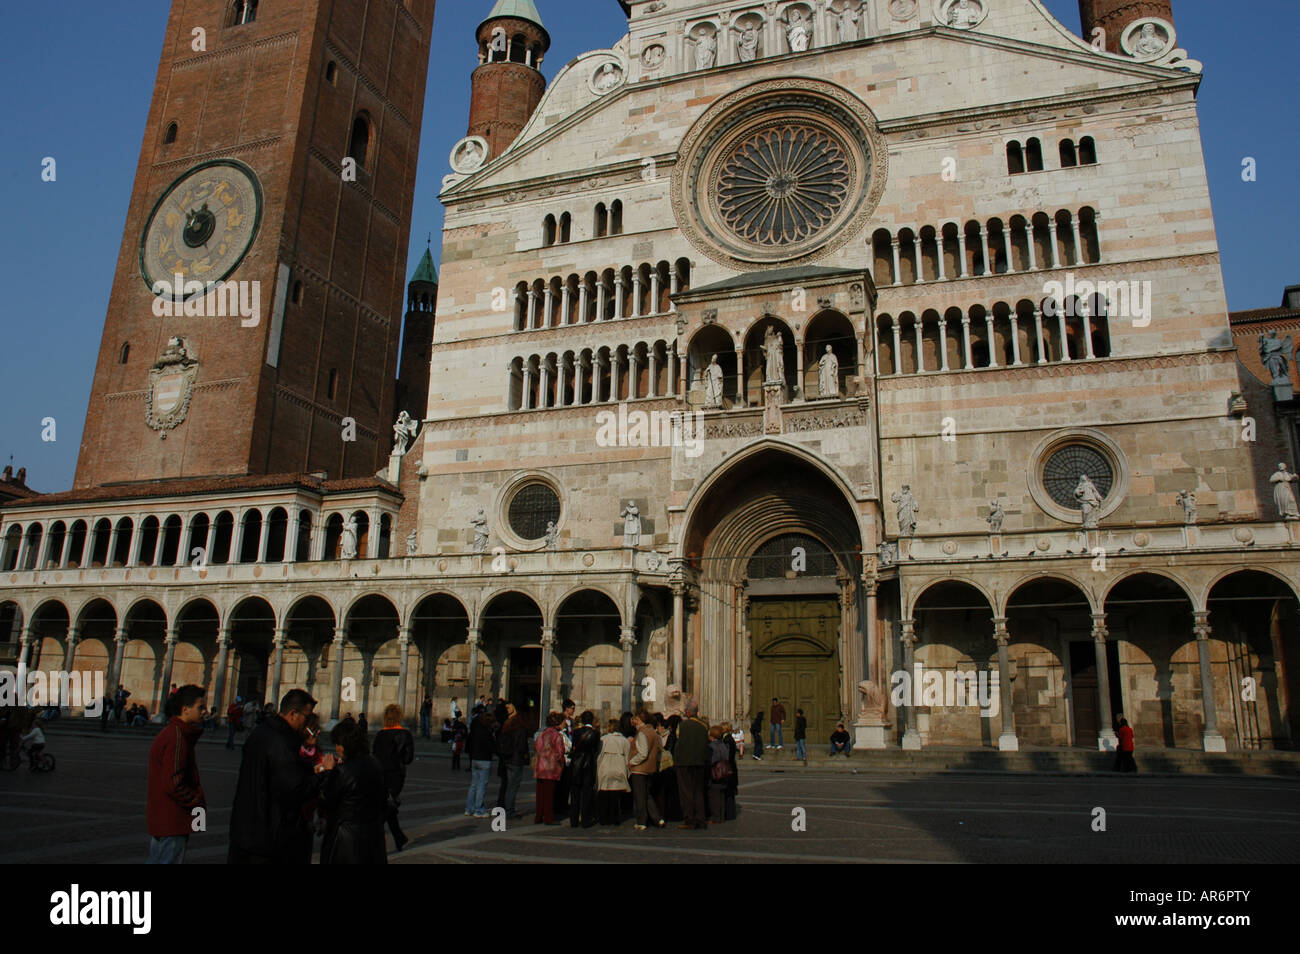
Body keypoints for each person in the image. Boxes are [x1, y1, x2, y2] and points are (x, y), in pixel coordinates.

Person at [228, 689, 334, 864]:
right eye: (306, 717)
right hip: (269, 835)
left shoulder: (260, 732)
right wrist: (325, 774)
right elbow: (295, 789)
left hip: (246, 829)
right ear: (293, 714)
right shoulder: (282, 742)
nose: (307, 722)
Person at [146, 685, 207, 864]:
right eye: (200, 707)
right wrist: (197, 800)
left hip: (163, 818)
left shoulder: (174, 733)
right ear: (185, 709)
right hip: (173, 819)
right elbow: (173, 782)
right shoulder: (177, 737)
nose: (204, 712)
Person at [320, 722, 388, 864]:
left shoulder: (343, 771)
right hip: (373, 836)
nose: (336, 748)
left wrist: (327, 773)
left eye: (337, 744)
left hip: (346, 840)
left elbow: (327, 799)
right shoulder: (374, 763)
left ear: (344, 744)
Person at [371, 704, 413, 851]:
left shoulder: (380, 734)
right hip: (396, 774)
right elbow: (408, 758)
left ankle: (398, 837)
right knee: (388, 805)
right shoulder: (404, 734)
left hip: (380, 774)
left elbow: (374, 754)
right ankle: (373, 836)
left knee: (387, 804)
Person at [674, 701, 709, 830]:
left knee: (686, 792)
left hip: (684, 762)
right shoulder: (704, 725)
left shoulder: (682, 725)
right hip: (700, 762)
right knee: (698, 791)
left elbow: (678, 743)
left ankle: (689, 819)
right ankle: (701, 818)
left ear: (688, 712)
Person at [628, 709, 663, 830]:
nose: (633, 721)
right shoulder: (653, 732)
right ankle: (658, 818)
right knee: (647, 795)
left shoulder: (642, 733)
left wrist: (631, 762)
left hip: (639, 768)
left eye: (635, 718)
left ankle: (641, 821)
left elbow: (643, 753)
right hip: (650, 767)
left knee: (639, 796)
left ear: (639, 719)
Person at [495, 702, 529, 817]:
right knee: (513, 786)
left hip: (507, 759)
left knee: (509, 785)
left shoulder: (506, 727)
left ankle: (505, 807)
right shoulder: (520, 729)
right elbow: (521, 746)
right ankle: (509, 810)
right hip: (516, 760)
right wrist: (524, 755)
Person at [569, 710, 601, 828]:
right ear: (592, 720)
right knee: (587, 793)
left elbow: (573, 746)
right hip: (589, 764)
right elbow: (596, 749)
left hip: (577, 763)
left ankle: (573, 820)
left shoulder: (576, 732)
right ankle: (585, 819)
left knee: (575, 793)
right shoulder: (596, 733)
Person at [533, 712, 566, 825]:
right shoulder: (557, 735)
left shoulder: (541, 734)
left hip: (540, 767)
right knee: (549, 795)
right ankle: (548, 817)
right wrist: (562, 762)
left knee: (540, 794)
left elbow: (536, 747)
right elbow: (560, 752)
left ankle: (538, 816)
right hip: (551, 768)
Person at [596, 717, 631, 825]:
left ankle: (603, 818)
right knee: (615, 795)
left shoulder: (604, 739)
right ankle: (614, 818)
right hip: (619, 766)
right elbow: (627, 756)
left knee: (604, 793)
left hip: (605, 765)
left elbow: (599, 754)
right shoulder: (624, 740)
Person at [464, 708, 497, 817]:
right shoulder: (487, 733)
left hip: (474, 759)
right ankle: (478, 810)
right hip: (484, 760)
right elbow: (492, 747)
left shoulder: (476, 730)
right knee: (481, 786)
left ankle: (468, 809)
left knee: (473, 784)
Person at [706, 726, 733, 824]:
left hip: (716, 772)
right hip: (725, 772)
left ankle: (715, 817)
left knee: (714, 796)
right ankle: (721, 816)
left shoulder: (713, 746)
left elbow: (713, 759)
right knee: (721, 795)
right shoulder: (724, 745)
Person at [720, 721, 739, 820]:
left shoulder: (727, 740)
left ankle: (729, 814)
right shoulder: (729, 739)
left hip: (728, 768)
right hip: (731, 768)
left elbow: (726, 755)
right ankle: (730, 813)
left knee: (728, 792)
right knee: (729, 793)